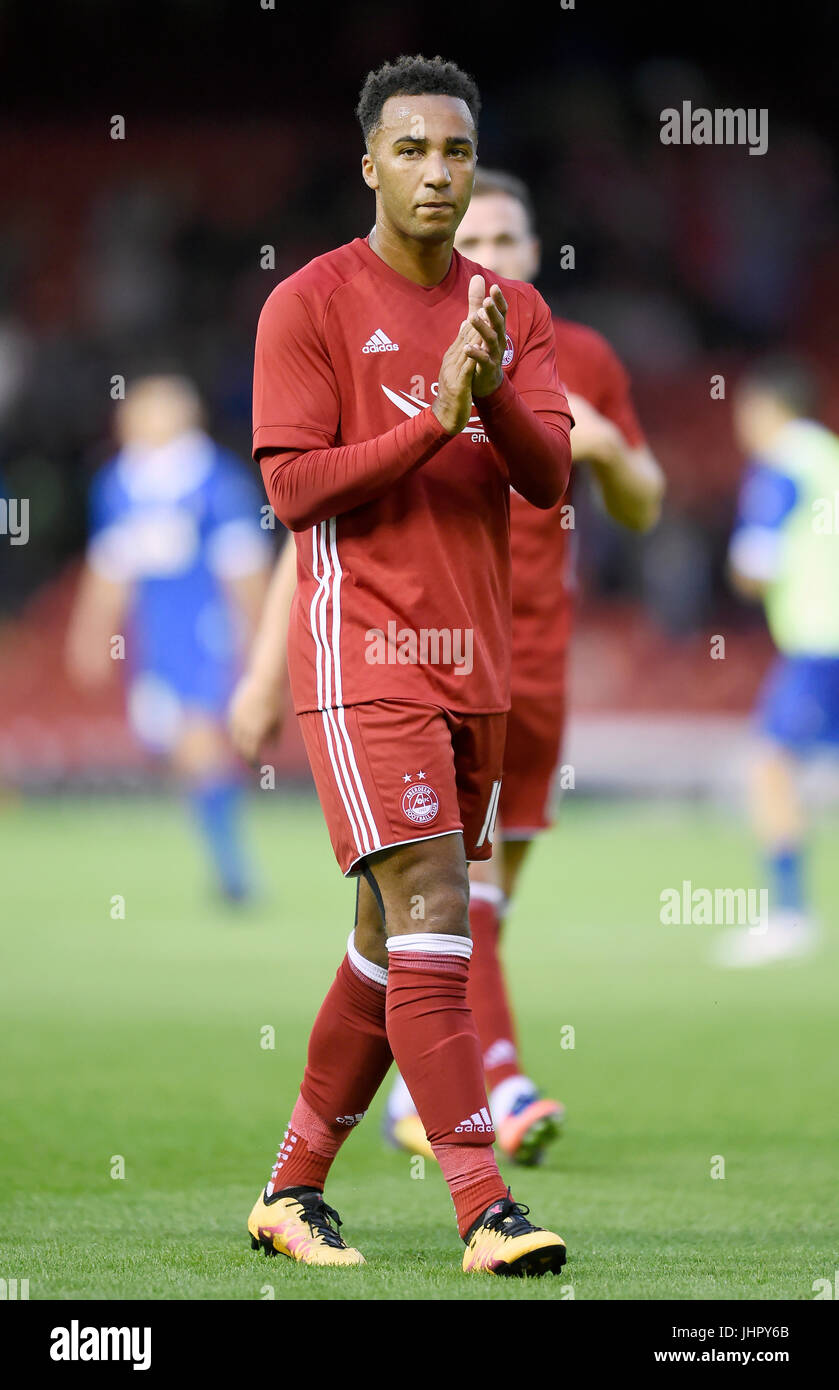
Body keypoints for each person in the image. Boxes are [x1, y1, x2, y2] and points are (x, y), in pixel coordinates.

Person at [231, 167, 665, 1168]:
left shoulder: (567, 347)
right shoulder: (346, 317)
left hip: (515, 663)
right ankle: (486, 1130)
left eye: (514, 243)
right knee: (442, 898)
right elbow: (302, 512)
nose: (498, 261)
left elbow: (635, 500)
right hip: (388, 654)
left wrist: (597, 448)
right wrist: (264, 671)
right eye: (485, 240)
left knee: (464, 904)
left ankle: (313, 1165)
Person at [244, 54, 574, 1276]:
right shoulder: (311, 304)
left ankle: (290, 1189)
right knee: (435, 897)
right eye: (412, 151)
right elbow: (290, 487)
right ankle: (484, 1205)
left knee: (389, 939)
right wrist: (427, 420)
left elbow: (547, 480)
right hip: (362, 650)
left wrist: (484, 397)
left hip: (473, 665)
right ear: (369, 164)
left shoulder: (513, 310)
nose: (436, 172)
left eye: (454, 152)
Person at [66, 373, 272, 901]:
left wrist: (259, 638)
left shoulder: (215, 481)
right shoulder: (117, 483)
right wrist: (91, 633)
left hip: (207, 625)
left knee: (199, 739)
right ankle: (224, 851)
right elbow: (110, 567)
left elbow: (244, 566)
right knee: (175, 745)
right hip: (155, 633)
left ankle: (234, 876)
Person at [714, 356, 838, 967]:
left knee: (768, 766)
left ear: (765, 408)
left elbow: (754, 567)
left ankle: (790, 915)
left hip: (821, 641)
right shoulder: (827, 456)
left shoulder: (782, 463)